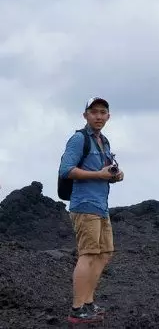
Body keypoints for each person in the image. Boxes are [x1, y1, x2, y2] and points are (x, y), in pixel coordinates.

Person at [58, 97, 124, 324]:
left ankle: (88, 303)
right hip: (85, 206)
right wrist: (99, 175)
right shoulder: (78, 140)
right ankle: (77, 309)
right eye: (93, 112)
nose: (98, 116)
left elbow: (105, 171)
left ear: (108, 116)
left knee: (104, 253)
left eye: (102, 112)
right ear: (85, 115)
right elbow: (66, 170)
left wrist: (115, 175)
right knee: (87, 254)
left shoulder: (104, 142)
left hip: (101, 206)